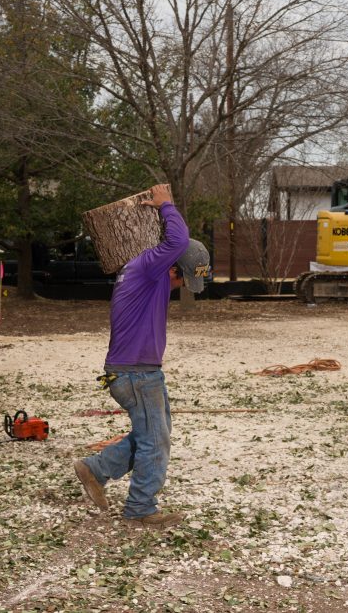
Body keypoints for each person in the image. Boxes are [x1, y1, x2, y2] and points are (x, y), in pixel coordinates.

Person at [74, 184, 210, 529]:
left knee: (154, 434)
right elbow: (177, 242)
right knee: (154, 440)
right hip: (136, 374)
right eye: (184, 281)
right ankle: (140, 508)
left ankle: (96, 469)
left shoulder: (142, 275)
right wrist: (168, 206)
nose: (180, 289)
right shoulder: (149, 269)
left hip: (137, 372)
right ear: (173, 267)